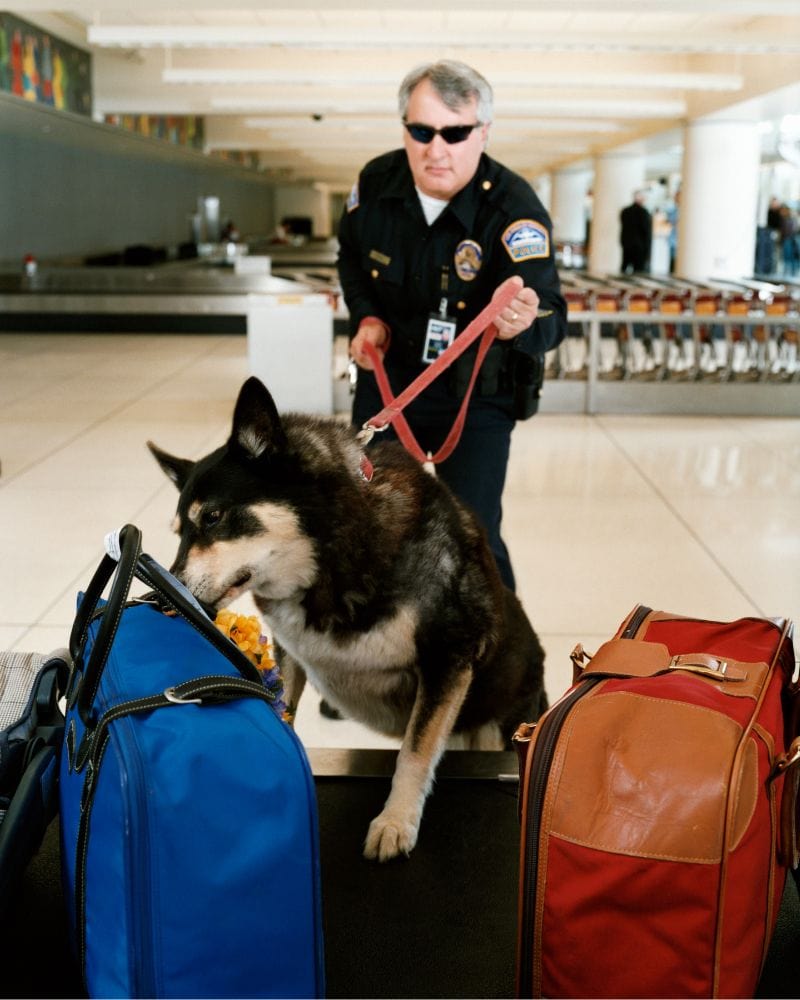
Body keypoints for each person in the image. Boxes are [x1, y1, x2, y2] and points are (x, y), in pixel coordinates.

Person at [337, 59, 567, 595]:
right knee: (372, 525)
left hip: (476, 393)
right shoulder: (375, 183)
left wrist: (524, 323)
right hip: (389, 387)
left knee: (475, 534)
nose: (436, 149)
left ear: (483, 132)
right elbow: (351, 258)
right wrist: (366, 315)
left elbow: (555, 313)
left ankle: (506, 666)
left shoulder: (513, 208)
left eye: (455, 132)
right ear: (405, 129)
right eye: (422, 131)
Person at [619, 190, 652, 273]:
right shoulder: (644, 212)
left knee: (624, 268)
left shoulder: (625, 211)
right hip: (639, 246)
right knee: (638, 270)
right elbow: (646, 232)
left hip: (626, 244)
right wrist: (647, 249)